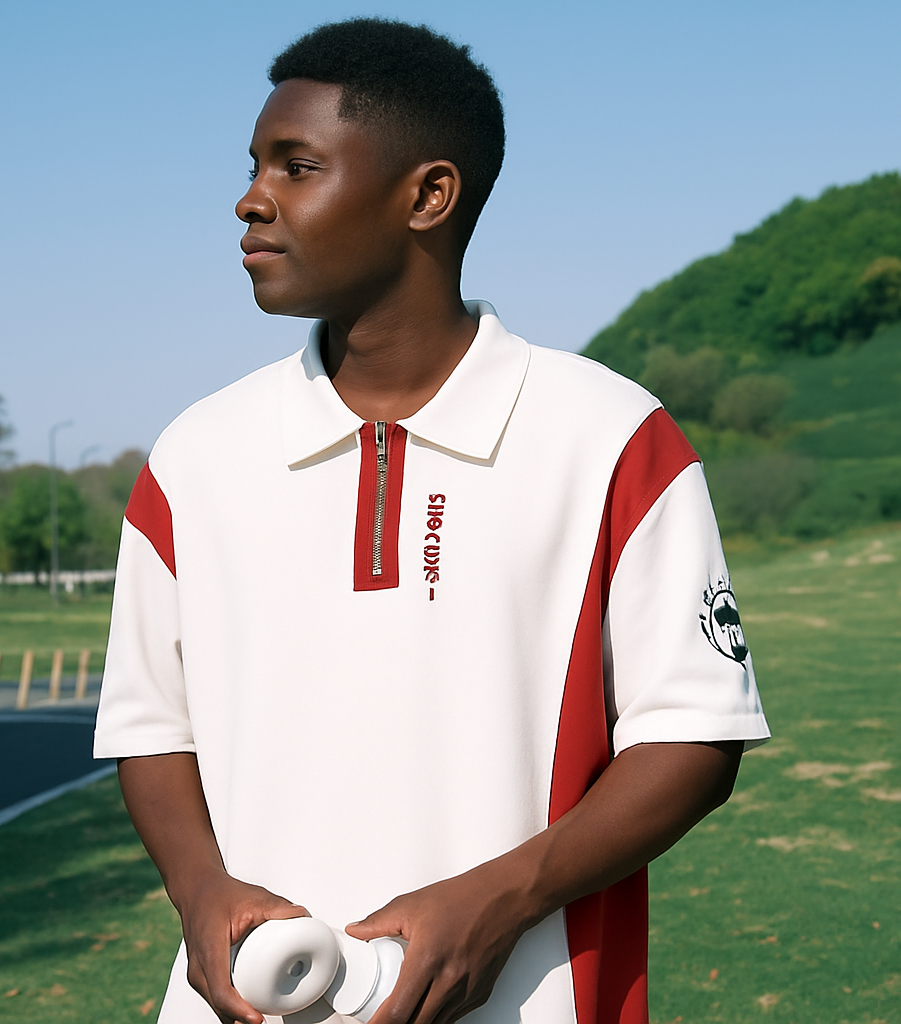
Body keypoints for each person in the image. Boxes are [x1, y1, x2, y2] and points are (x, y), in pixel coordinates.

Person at [93, 18, 769, 1024]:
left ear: (427, 195)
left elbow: (694, 737)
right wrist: (200, 891)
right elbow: (153, 725)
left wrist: (498, 902)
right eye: (254, 166)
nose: (250, 198)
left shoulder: (613, 435)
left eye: (297, 165)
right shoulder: (194, 456)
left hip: (532, 998)